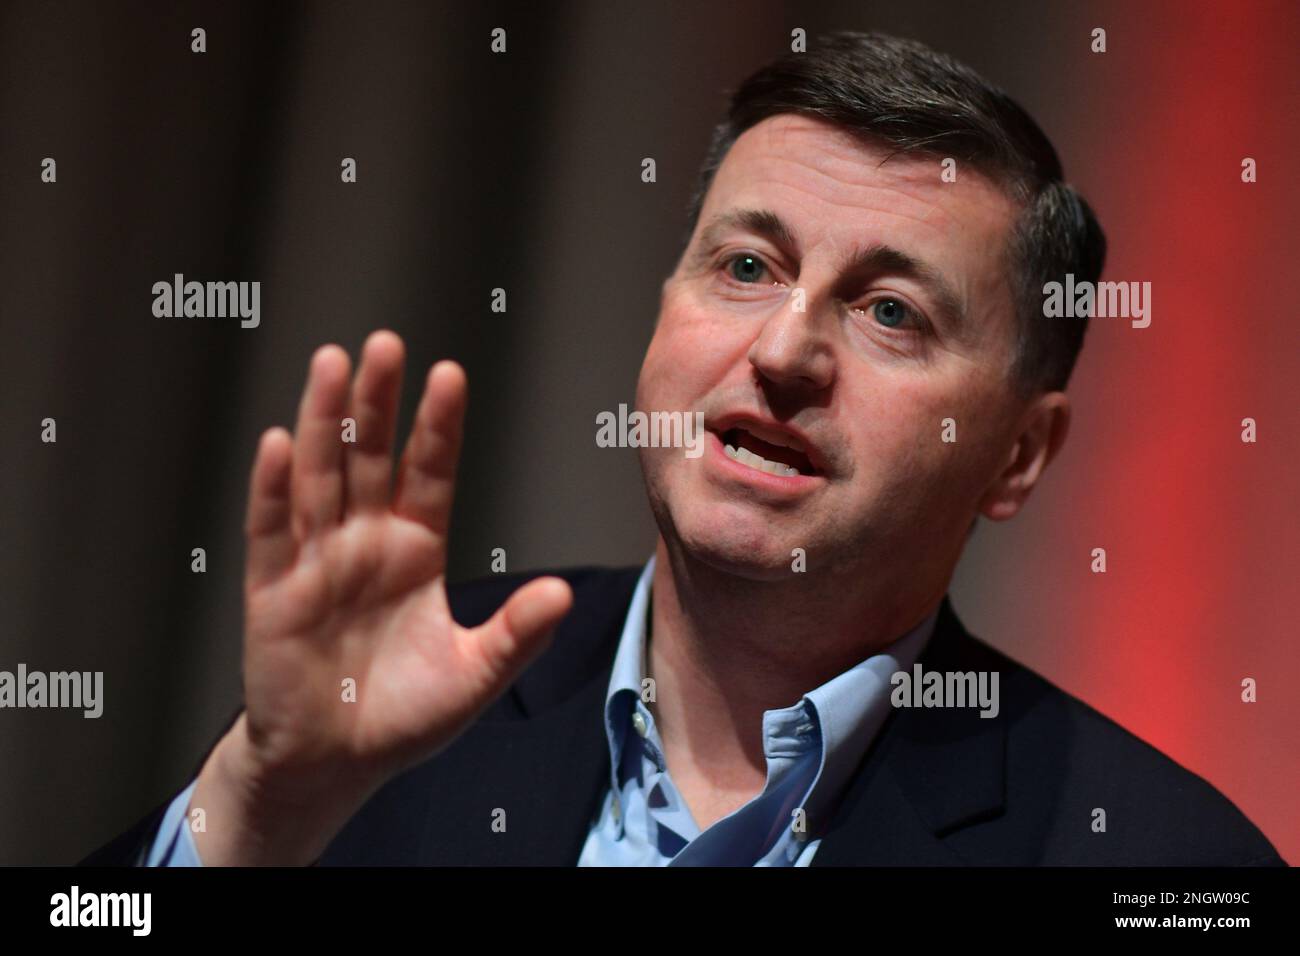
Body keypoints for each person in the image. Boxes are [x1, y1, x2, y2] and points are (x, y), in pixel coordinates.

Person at [82, 31, 1284, 867]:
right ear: (663, 309)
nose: (785, 351)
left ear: (1020, 454)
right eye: (746, 266)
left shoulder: (1158, 860)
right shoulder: (408, 703)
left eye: (891, 313)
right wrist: (253, 805)